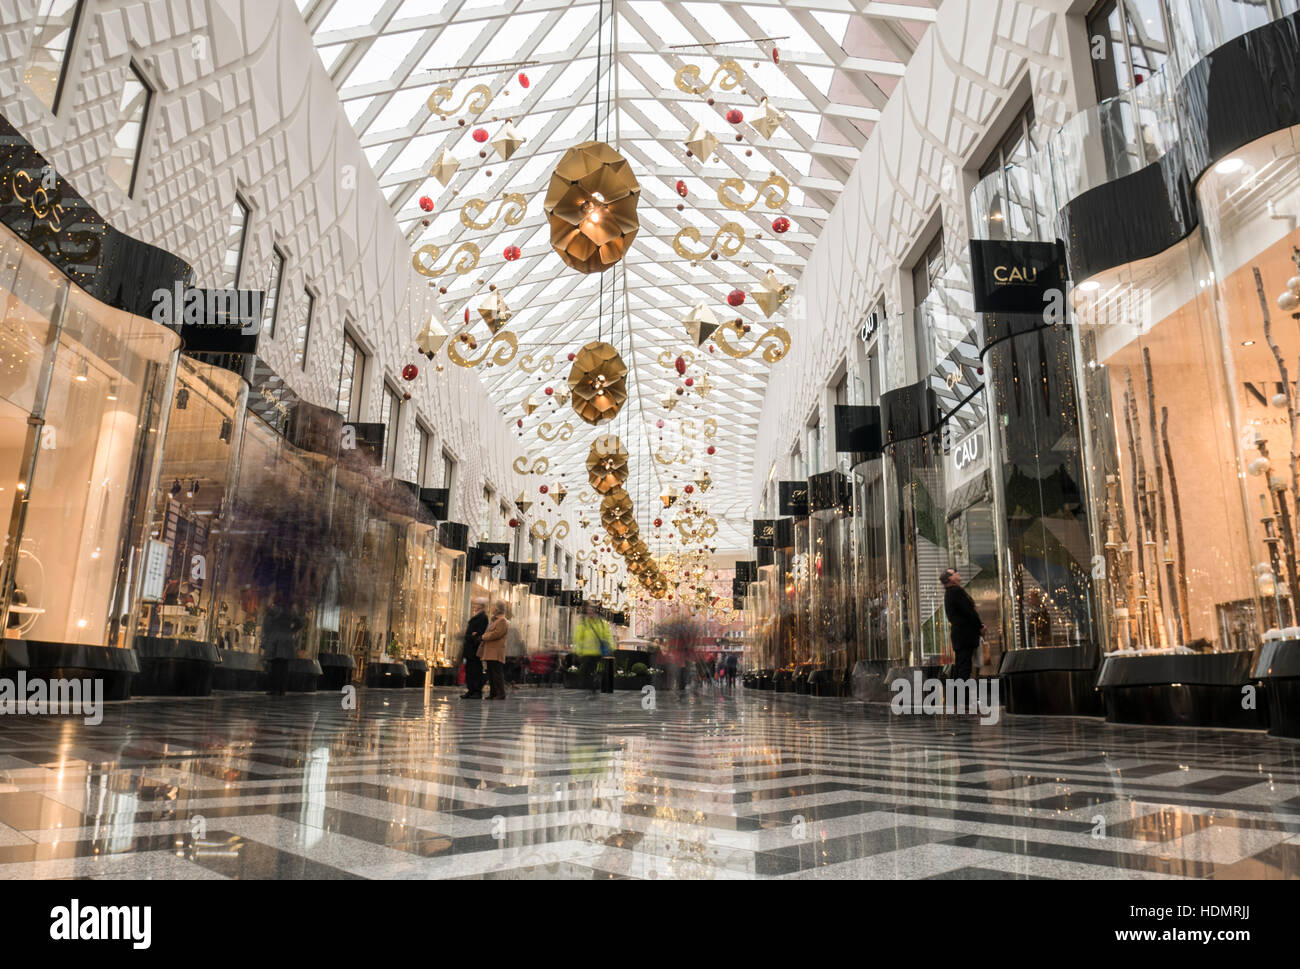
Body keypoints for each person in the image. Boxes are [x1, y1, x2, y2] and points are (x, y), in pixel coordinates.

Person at [941, 569, 984, 681]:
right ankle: (962, 696)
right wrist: (980, 626)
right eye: (955, 572)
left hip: (960, 636)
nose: (958, 573)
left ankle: (959, 695)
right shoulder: (955, 591)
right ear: (950, 578)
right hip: (964, 636)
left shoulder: (950, 593)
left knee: (962, 666)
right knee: (964, 669)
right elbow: (969, 611)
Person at [262, 589, 302, 696]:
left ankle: (274, 688)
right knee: (283, 666)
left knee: (275, 666)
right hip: (287, 640)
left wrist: (267, 635)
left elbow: (267, 621)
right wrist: (291, 631)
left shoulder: (275, 609)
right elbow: (300, 623)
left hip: (276, 639)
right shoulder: (291, 610)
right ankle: (281, 689)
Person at [573, 604, 613, 696]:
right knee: (584, 671)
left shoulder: (602, 623)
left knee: (594, 670)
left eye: (591, 611)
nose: (589, 613)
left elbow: (607, 636)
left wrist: (610, 648)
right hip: (586, 653)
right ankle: (591, 686)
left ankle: (593, 686)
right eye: (588, 611)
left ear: (595, 612)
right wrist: (578, 651)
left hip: (598, 652)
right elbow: (578, 638)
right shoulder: (583, 623)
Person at [477, 600, 510, 700]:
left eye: (493, 607)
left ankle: (500, 693)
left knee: (496, 673)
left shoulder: (502, 621)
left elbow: (496, 634)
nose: (491, 609)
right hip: (491, 651)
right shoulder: (495, 620)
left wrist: (483, 637)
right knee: (491, 673)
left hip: (496, 652)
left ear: (497, 609)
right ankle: (493, 693)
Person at [461, 598, 489, 699]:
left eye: (476, 604)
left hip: (475, 648)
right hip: (470, 648)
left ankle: (476, 690)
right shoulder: (477, 616)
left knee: (475, 670)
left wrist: (473, 635)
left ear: (481, 606)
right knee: (469, 670)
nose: (474, 605)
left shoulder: (482, 618)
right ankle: (471, 689)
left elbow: (478, 634)